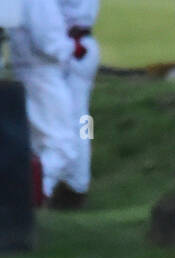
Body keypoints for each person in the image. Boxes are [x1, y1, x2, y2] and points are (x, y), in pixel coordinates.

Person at [9, 0, 75, 205]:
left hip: (31, 74)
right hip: (44, 75)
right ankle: (34, 194)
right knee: (62, 145)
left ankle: (32, 195)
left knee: (38, 145)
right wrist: (72, 47)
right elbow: (49, 44)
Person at [58, 0, 100, 206]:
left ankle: (75, 184)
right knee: (82, 119)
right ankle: (78, 180)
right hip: (82, 44)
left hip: (72, 47)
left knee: (76, 120)